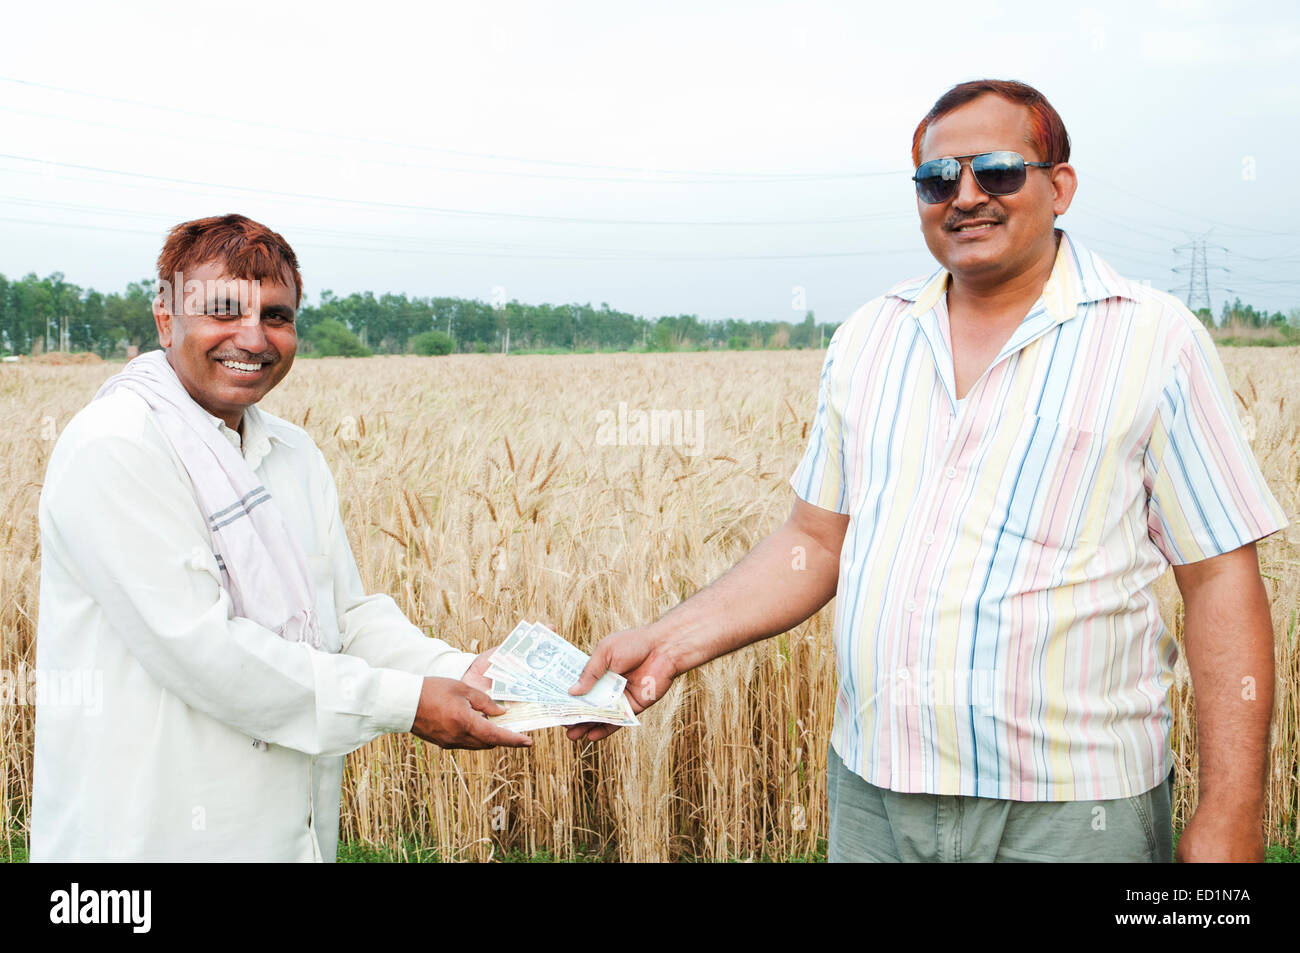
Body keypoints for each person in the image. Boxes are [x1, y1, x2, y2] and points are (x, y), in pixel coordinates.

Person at [566, 80, 1288, 862]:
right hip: (876, 796)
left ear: (1060, 187)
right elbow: (814, 539)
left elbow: (1219, 579)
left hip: (1074, 809)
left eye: (1000, 171)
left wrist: (1231, 808)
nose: (966, 195)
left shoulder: (1154, 338)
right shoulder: (870, 337)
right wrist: (669, 641)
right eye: (938, 179)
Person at [32, 213, 529, 862]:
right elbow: (207, 654)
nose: (252, 337)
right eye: (221, 310)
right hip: (148, 841)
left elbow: (345, 617)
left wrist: (462, 670)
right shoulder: (117, 446)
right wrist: (407, 702)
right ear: (165, 320)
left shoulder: (293, 454)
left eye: (277, 315)